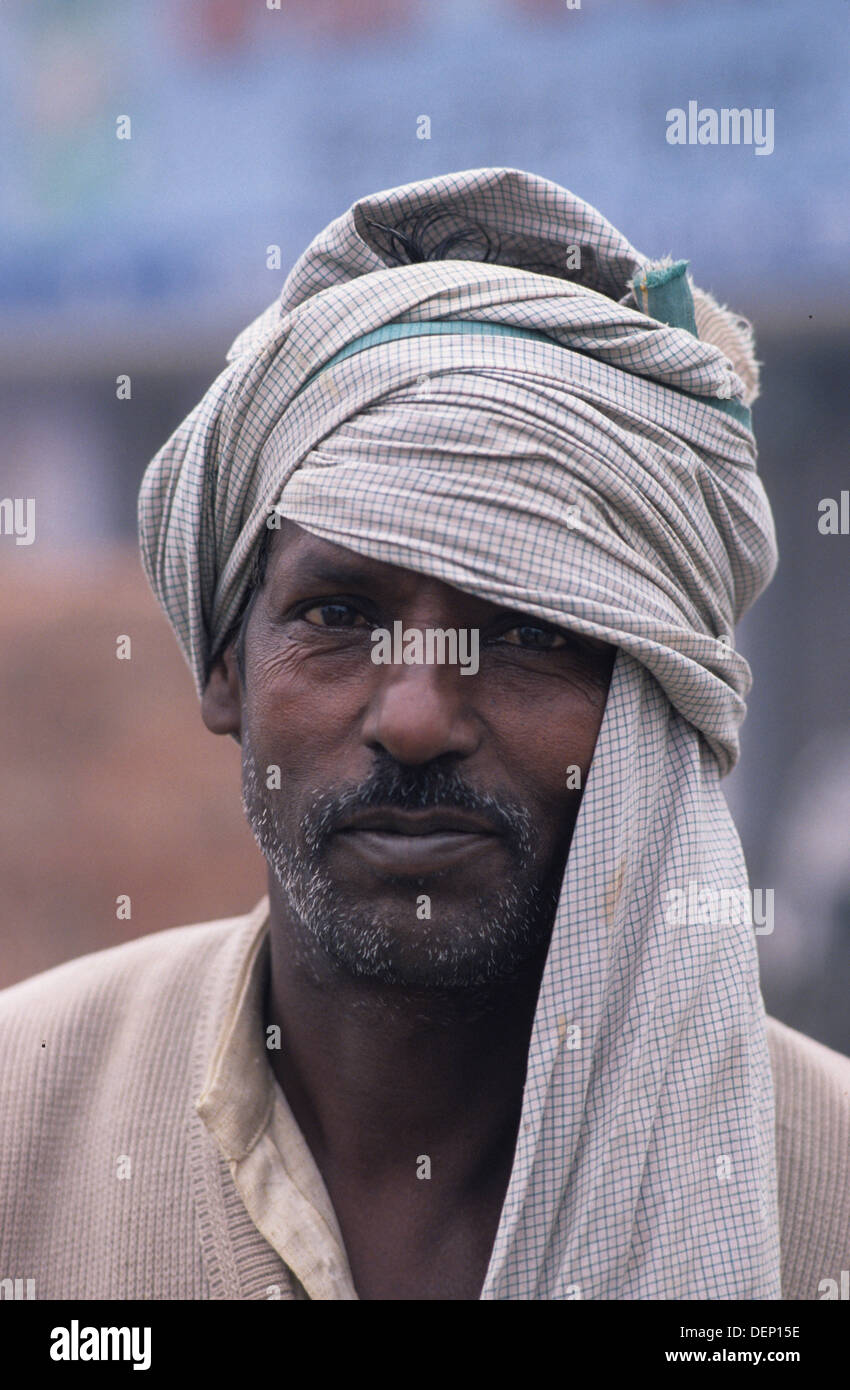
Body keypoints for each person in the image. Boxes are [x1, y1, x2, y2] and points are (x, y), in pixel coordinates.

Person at [1, 168, 848, 1301]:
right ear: (224, 665)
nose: (414, 715)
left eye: (526, 630)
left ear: (654, 697)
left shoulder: (826, 1188)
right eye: (339, 615)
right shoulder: (23, 1120)